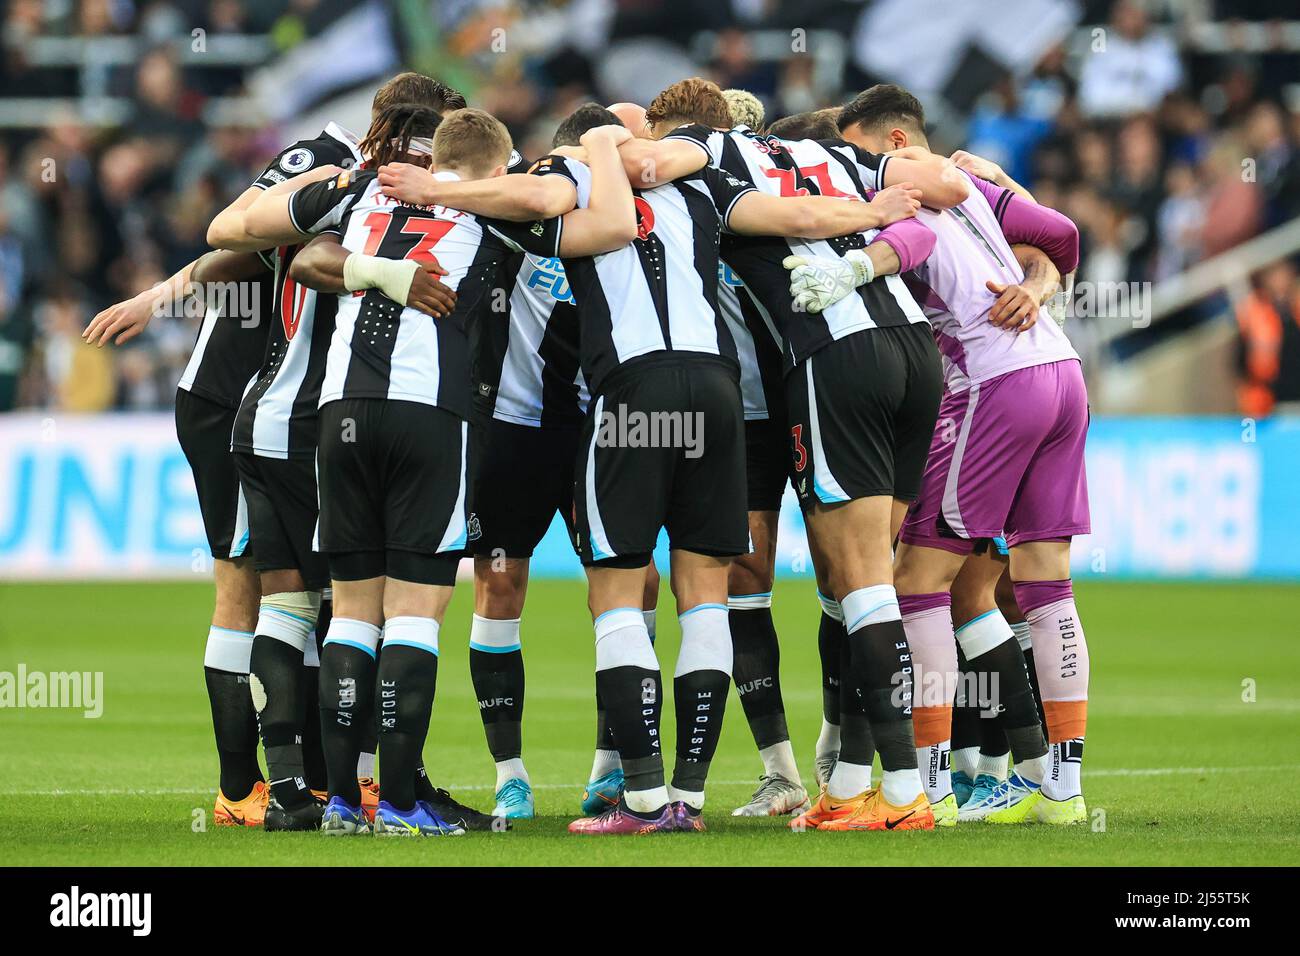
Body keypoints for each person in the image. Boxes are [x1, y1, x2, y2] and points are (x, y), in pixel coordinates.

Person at [381, 97, 930, 834]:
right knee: (704, 594)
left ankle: (639, 799)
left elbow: (537, 195)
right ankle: (690, 799)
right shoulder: (703, 189)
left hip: (633, 392)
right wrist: (872, 214)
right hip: (717, 393)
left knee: (617, 590)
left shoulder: (573, 173)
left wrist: (436, 190)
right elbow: (799, 219)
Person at [241, 106, 638, 835]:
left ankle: (339, 802)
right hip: (432, 413)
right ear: (495, 166)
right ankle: (398, 802)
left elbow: (288, 249)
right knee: (416, 615)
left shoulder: (366, 194)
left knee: (353, 616)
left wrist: (375, 263)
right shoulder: (493, 212)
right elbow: (608, 226)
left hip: (340, 413)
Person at [624, 76, 962, 831]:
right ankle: (848, 785)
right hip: (914, 349)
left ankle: (903, 795)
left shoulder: (706, 157)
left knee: (862, 580)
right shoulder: (827, 152)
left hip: (834, 356)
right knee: (865, 577)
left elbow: (650, 170)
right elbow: (942, 185)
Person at [805, 83, 1091, 825]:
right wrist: (1039, 281)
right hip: (1061, 373)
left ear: (894, 142)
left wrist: (855, 266)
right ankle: (1061, 793)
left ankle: (929, 782)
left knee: (917, 580)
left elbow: (919, 240)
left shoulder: (903, 181)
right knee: (1045, 583)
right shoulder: (977, 188)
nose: (857, 169)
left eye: (863, 151)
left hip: (994, 382)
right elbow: (1061, 232)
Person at [86, 248, 272, 826]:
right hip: (232, 402)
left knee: (311, 590)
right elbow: (235, 234)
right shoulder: (323, 165)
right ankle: (239, 790)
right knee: (241, 585)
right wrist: (155, 299)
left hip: (285, 409)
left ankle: (319, 779)